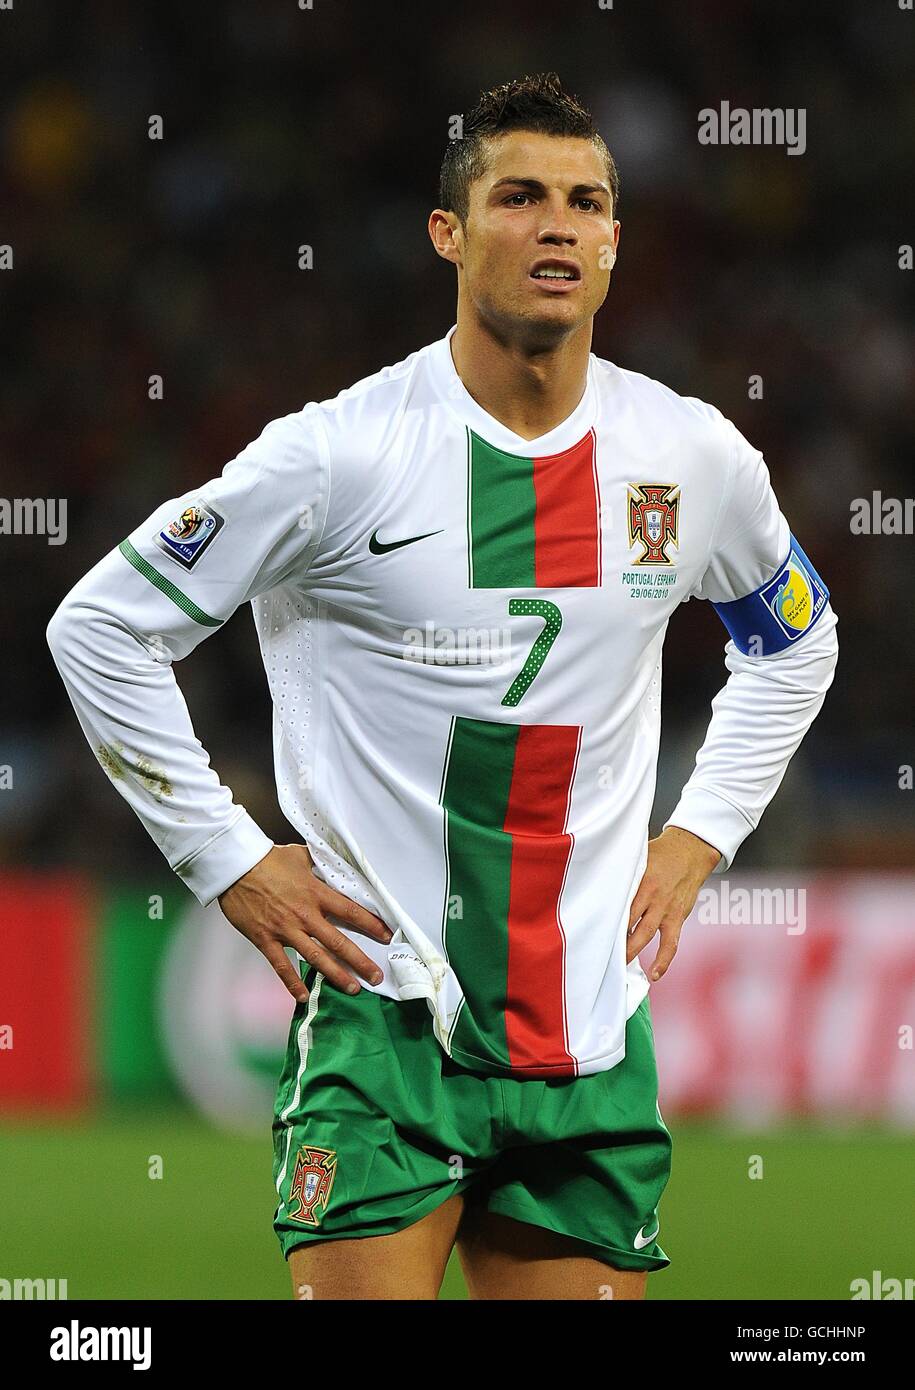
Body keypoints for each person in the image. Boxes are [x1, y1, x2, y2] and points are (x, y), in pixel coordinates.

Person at [47, 72, 838, 1301]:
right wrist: (229, 856)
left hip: (586, 1016)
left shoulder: (690, 458)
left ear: (617, 240)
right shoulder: (339, 455)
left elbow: (796, 641)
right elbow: (100, 626)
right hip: (389, 1016)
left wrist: (700, 836)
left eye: (586, 202)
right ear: (450, 234)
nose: (558, 226)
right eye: (519, 197)